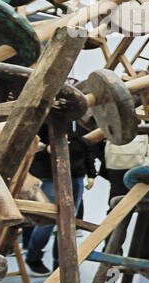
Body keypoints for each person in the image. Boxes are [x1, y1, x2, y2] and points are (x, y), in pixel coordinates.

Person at [25, 114, 98, 274]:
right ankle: (33, 257)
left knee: (68, 221)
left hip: (76, 176)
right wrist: (45, 148)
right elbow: (31, 143)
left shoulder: (79, 121)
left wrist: (91, 173)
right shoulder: (45, 119)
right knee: (48, 219)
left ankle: (60, 262)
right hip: (50, 175)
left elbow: (86, 146)